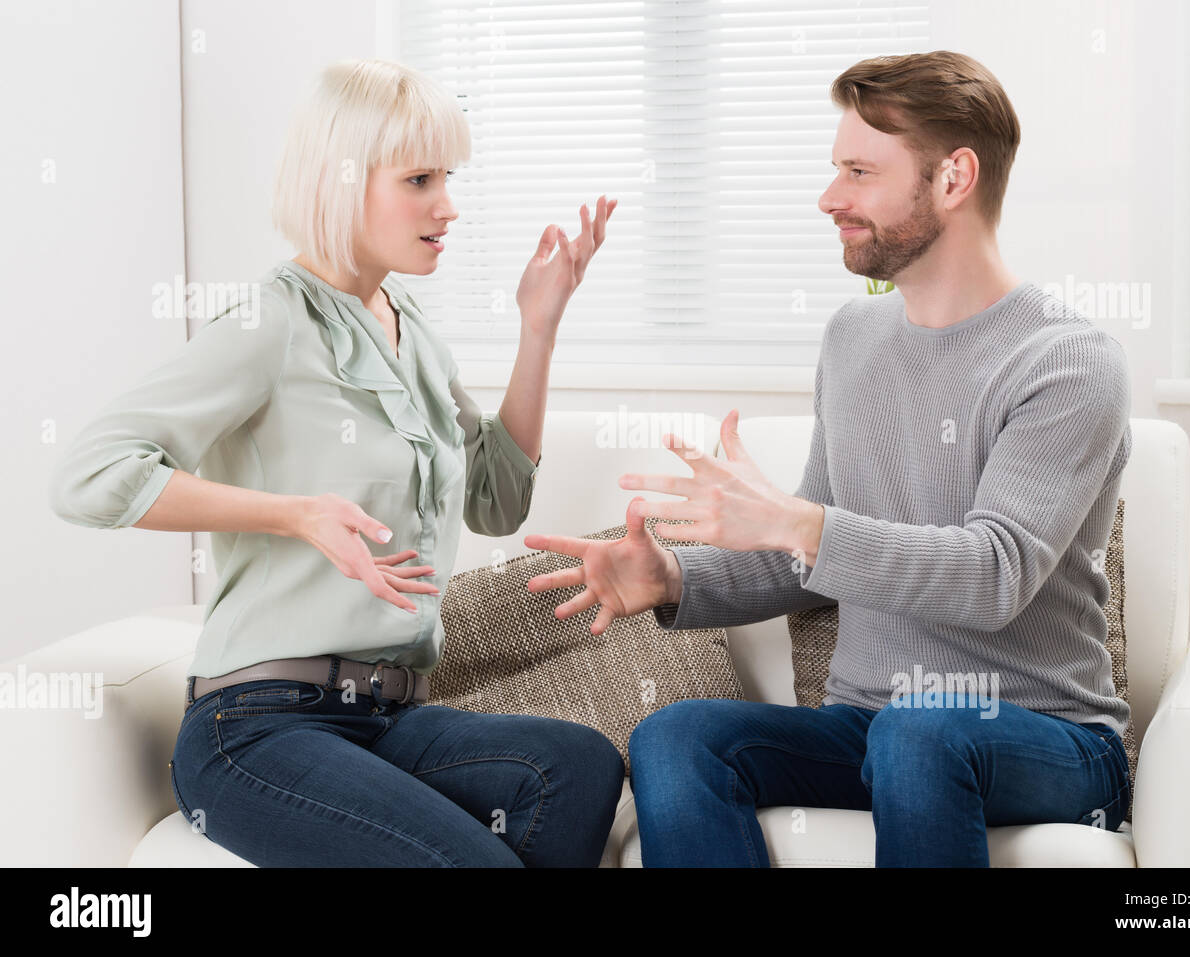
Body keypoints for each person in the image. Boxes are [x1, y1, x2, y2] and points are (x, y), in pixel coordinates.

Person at [524, 50, 1132, 867]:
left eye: (858, 171)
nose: (830, 197)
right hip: (872, 727)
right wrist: (675, 577)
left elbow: (994, 575)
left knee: (921, 735)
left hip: (1045, 734)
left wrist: (802, 522)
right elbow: (812, 561)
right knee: (678, 735)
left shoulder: (1066, 361)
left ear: (954, 178)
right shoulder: (853, 340)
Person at [48, 58, 624, 867]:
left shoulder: (410, 330)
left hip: (388, 718)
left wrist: (540, 329)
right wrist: (293, 512)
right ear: (341, 182)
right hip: (256, 726)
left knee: (577, 764)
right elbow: (89, 473)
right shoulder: (269, 321)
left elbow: (496, 501)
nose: (448, 205)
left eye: (448, 177)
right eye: (419, 179)